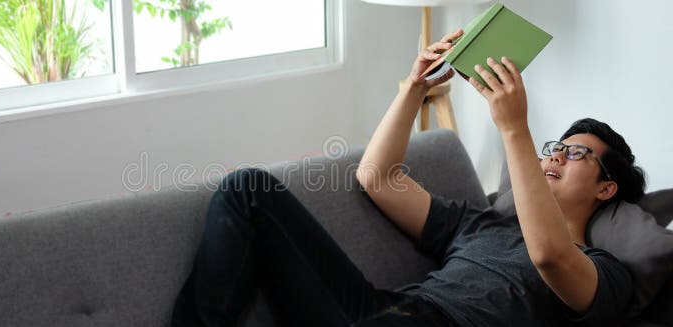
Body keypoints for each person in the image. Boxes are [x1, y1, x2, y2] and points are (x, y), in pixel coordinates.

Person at [170, 28, 646, 327]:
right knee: (248, 189)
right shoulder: (482, 225)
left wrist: (514, 128)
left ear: (606, 188)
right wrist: (413, 88)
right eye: (554, 147)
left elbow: (550, 255)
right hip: (375, 310)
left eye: (576, 153)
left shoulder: (605, 273)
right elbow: (377, 177)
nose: (556, 155)